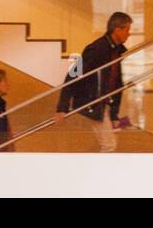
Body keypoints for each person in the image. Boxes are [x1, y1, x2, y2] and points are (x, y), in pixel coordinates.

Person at [54, 12, 132, 152]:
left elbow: (116, 83)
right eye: (127, 30)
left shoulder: (116, 51)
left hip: (105, 103)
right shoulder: (98, 48)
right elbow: (74, 74)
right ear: (117, 30)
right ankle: (100, 172)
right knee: (109, 145)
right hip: (94, 103)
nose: (129, 34)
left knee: (110, 143)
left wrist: (114, 114)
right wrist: (62, 107)